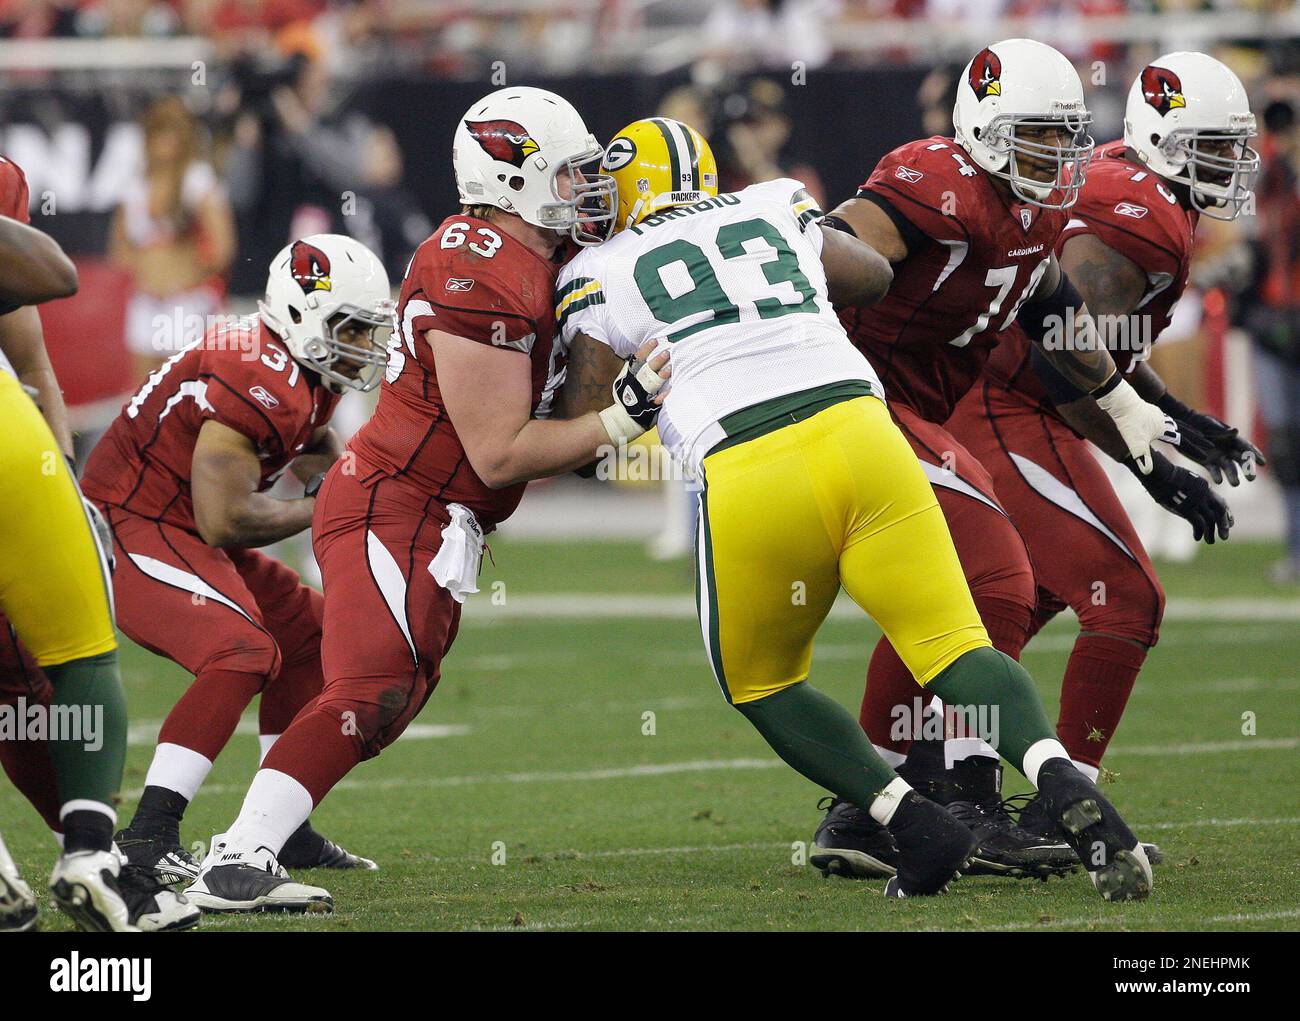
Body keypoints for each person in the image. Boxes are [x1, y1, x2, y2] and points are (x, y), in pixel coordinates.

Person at [557, 113, 1154, 901]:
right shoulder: (773, 202)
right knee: (955, 646)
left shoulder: (596, 265)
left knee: (761, 682)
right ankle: (1060, 779)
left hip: (749, 461)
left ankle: (908, 822)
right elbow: (870, 275)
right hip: (864, 431)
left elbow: (585, 428)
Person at [183, 86, 668, 913]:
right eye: (570, 173)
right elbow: (501, 449)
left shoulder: (531, 259)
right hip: (395, 504)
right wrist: (623, 418)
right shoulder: (481, 267)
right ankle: (237, 855)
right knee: (370, 686)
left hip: (441, 516)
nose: (588, 192)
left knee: (390, 700)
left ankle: (272, 831)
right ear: (512, 177)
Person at [807, 39, 1224, 881]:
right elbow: (829, 248)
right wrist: (822, 264)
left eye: (1069, 134)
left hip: (907, 415)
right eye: (1040, 134)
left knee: (940, 596)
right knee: (997, 575)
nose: (1061, 155)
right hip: (849, 404)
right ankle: (966, 798)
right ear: (987, 127)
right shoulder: (938, 178)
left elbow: (1065, 329)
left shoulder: (1034, 214)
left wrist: (1148, 427)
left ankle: (872, 798)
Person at [938, 52, 1264, 833]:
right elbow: (1063, 358)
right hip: (1007, 400)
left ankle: (930, 786)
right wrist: (1154, 469)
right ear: (1165, 140)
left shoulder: (1137, 184)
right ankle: (1059, 806)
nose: (1231, 165)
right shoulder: (1139, 218)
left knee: (1017, 599)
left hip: (1016, 396)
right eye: (1214, 147)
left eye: (1233, 147)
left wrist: (1177, 413)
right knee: (1125, 596)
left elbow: (1098, 347)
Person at [80, 235, 387, 887]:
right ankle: (147, 836)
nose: (364, 344)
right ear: (304, 318)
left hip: (180, 525)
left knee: (311, 632)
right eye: (352, 328)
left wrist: (367, 489)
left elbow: (314, 448)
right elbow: (228, 517)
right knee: (243, 650)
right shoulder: (255, 373)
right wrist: (334, 503)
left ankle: (282, 828)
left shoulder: (299, 365)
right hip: (130, 525)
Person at [0, 155, 138, 930]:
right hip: (7, 426)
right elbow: (51, 276)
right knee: (84, 653)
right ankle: (91, 851)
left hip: (16, 427)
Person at [110, 97, 236, 382]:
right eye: (159, 132)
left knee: (185, 385)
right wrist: (147, 273)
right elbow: (119, 247)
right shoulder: (135, 185)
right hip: (147, 300)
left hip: (188, 301)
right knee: (142, 390)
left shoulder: (198, 181)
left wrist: (186, 278)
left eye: (172, 132)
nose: (165, 141)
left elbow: (223, 246)